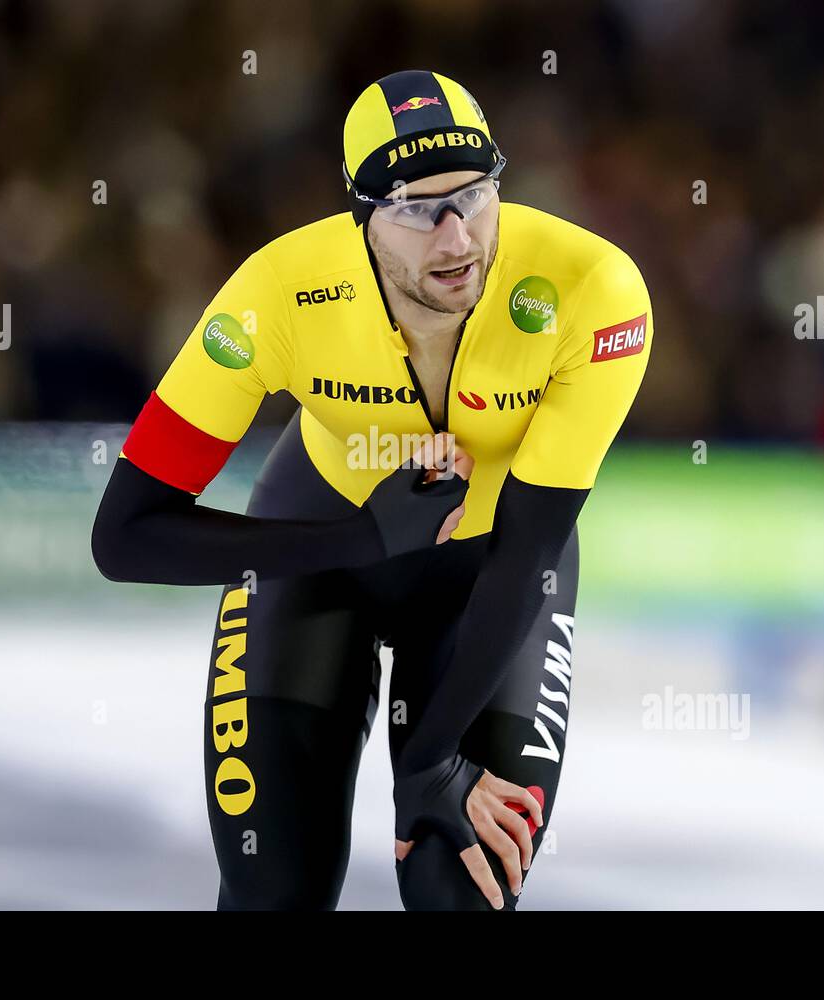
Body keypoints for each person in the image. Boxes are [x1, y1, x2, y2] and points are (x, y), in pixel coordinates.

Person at [92, 69, 653, 910]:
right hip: (322, 549)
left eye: (474, 195)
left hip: (491, 573)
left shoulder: (594, 291)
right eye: (419, 209)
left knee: (456, 883)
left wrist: (428, 764)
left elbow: (528, 551)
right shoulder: (276, 296)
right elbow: (125, 537)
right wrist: (357, 541)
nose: (457, 237)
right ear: (363, 220)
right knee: (272, 889)